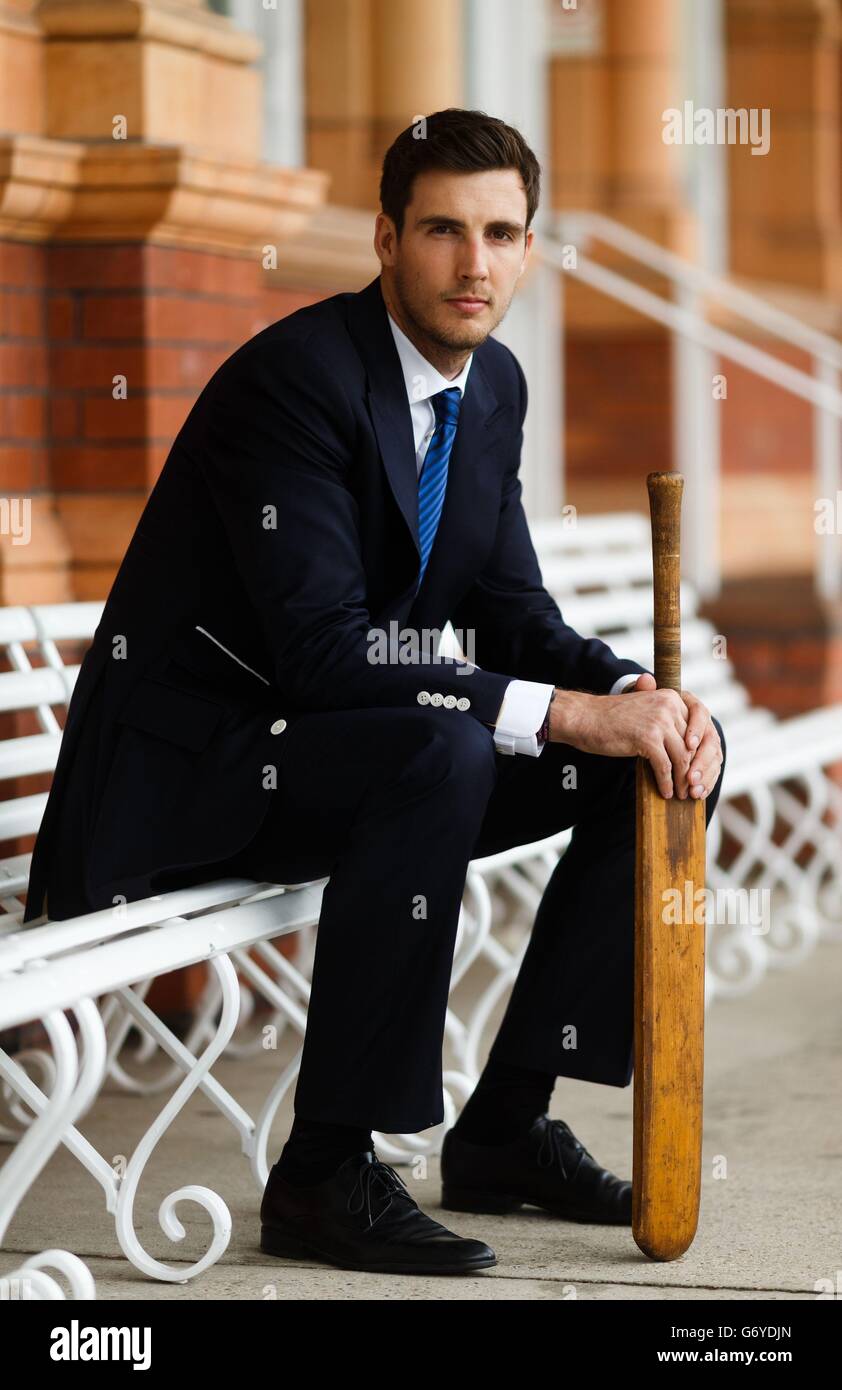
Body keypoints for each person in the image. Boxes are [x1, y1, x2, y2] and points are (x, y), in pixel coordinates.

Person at [23, 108, 726, 1277]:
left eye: (500, 233)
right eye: (443, 229)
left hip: (333, 758)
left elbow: (512, 610)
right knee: (436, 754)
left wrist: (625, 687)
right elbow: (321, 650)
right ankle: (322, 1174)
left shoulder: (489, 385)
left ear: (528, 251)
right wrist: (555, 709)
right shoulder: (297, 380)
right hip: (192, 774)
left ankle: (503, 1129)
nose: (474, 262)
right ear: (384, 240)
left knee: (643, 757)